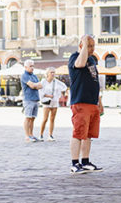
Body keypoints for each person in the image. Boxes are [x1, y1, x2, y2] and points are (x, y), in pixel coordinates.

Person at [68, 35, 104, 174]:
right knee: (78, 133)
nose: (92, 49)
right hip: (81, 101)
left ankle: (85, 161)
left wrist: (99, 100)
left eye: (93, 46)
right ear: (81, 45)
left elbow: (94, 80)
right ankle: (74, 163)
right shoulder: (75, 57)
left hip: (92, 102)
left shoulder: (91, 60)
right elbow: (80, 65)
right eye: (89, 45)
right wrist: (83, 45)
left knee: (88, 134)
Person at [39, 68, 68, 141]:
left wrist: (59, 94)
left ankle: (50, 135)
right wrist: (48, 96)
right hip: (46, 102)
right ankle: (41, 134)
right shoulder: (43, 82)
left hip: (55, 102)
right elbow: (40, 92)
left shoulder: (56, 82)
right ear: (47, 73)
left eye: (54, 72)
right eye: (51, 72)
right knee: (45, 119)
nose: (53, 74)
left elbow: (64, 87)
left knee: (52, 119)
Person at [21, 59, 42, 142]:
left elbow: (40, 85)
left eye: (33, 66)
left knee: (33, 118)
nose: (32, 68)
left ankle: (31, 135)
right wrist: (35, 85)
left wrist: (35, 85)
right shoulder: (24, 75)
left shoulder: (34, 76)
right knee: (28, 118)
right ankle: (27, 136)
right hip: (28, 100)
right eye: (30, 66)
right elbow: (33, 86)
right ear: (25, 67)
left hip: (36, 99)